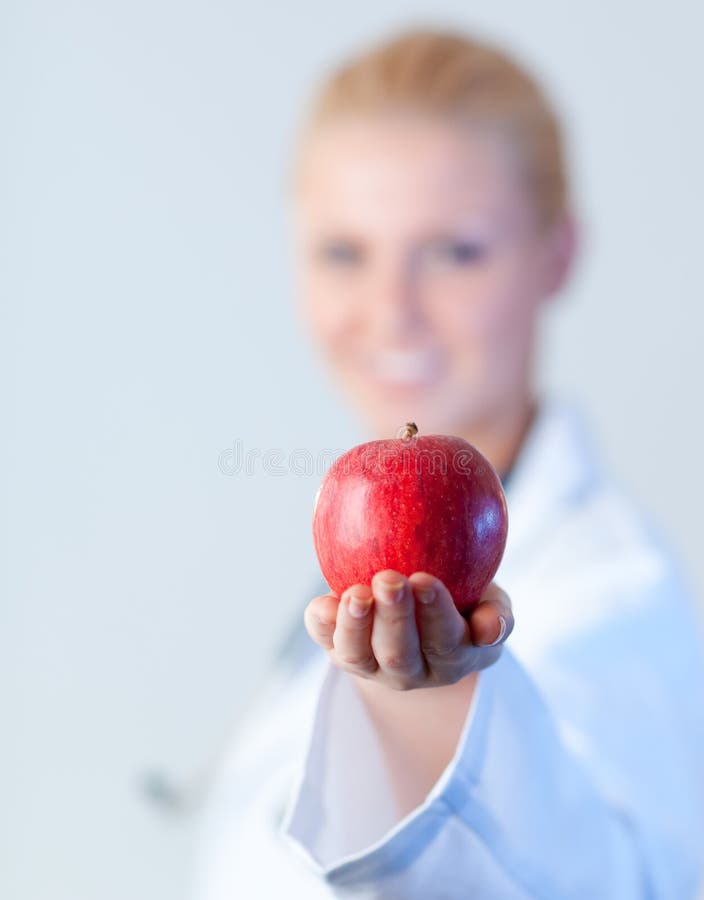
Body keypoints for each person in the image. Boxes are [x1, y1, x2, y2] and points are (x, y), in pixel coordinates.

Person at [192, 28, 704, 899]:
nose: (391, 312)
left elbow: (607, 880)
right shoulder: (350, 538)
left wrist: (428, 699)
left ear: (558, 255)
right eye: (345, 253)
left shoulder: (614, 593)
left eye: (455, 252)